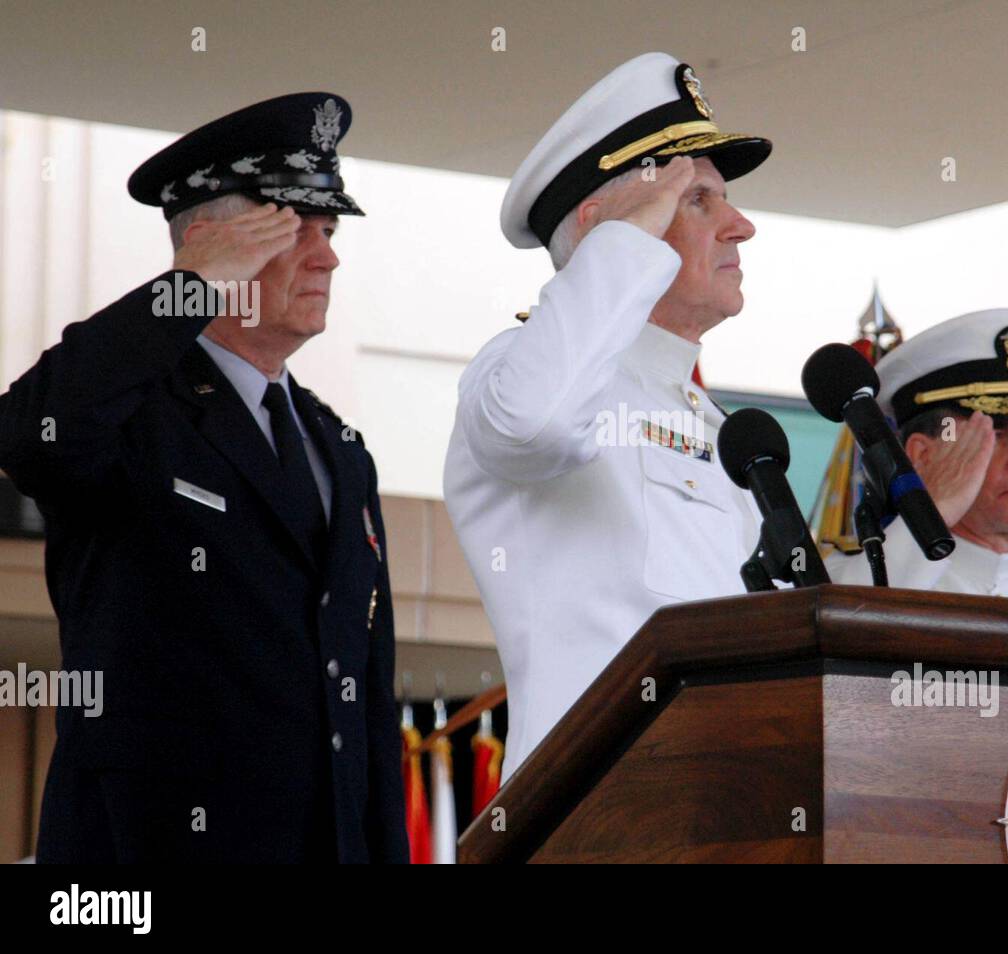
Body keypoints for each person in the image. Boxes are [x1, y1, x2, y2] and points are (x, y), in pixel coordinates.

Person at [0, 92, 407, 862]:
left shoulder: (338, 447)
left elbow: (367, 708)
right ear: (218, 250)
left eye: (329, 230)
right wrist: (186, 290)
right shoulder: (133, 414)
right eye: (295, 231)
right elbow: (30, 433)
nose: (328, 255)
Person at [444, 52, 772, 780]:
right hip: (596, 813)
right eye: (698, 200)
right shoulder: (521, 372)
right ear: (607, 234)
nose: (741, 226)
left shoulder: (720, 429)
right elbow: (535, 423)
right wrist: (618, 247)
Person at [827, 309, 1008, 605]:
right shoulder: (848, 575)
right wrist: (933, 510)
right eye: (995, 435)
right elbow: (853, 614)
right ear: (921, 455)